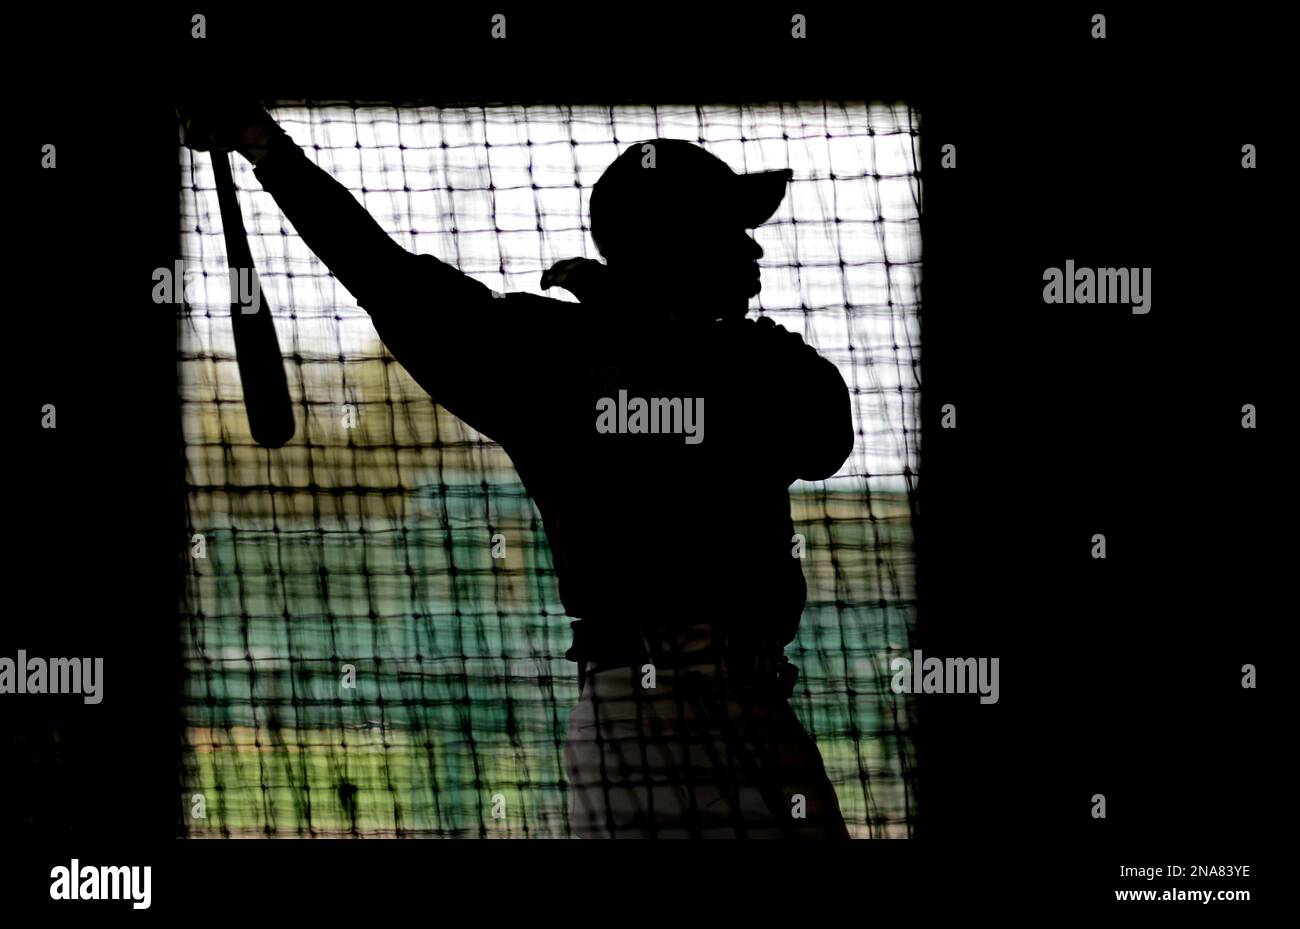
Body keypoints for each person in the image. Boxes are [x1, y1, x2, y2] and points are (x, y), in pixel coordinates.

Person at [180, 103, 854, 838]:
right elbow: (386, 276)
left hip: (753, 703)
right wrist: (266, 149)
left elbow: (826, 435)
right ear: (679, 246)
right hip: (648, 713)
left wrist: (631, 316)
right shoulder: (561, 354)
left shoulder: (725, 360)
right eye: (731, 232)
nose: (752, 252)